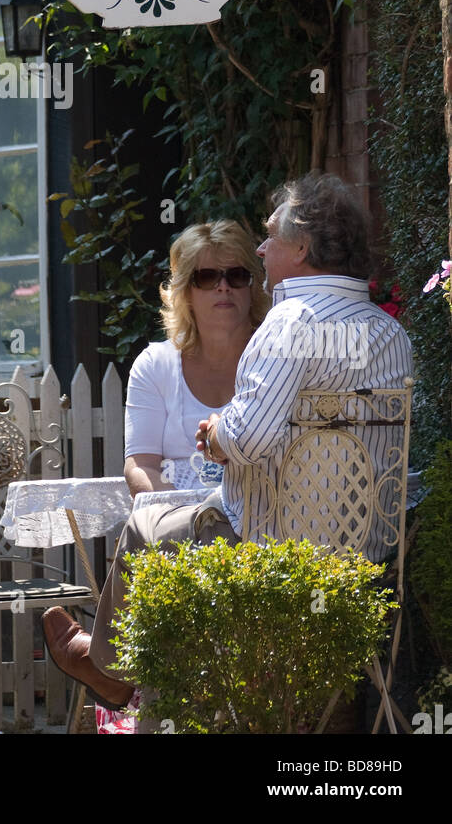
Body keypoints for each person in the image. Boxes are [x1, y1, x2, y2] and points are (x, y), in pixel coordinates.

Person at [43, 172, 414, 711]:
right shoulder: (388, 332)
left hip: (275, 554)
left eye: (270, 237)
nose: (262, 248)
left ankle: (119, 677)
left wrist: (216, 434)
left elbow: (249, 437)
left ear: (303, 246)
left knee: (146, 525)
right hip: (367, 560)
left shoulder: (290, 322)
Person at [123, 220, 270, 499]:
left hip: (262, 527)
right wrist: (187, 521)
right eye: (207, 277)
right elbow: (141, 467)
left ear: (252, 288)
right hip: (178, 528)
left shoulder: (276, 360)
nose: (223, 287)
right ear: (186, 292)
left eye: (237, 275)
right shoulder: (155, 366)